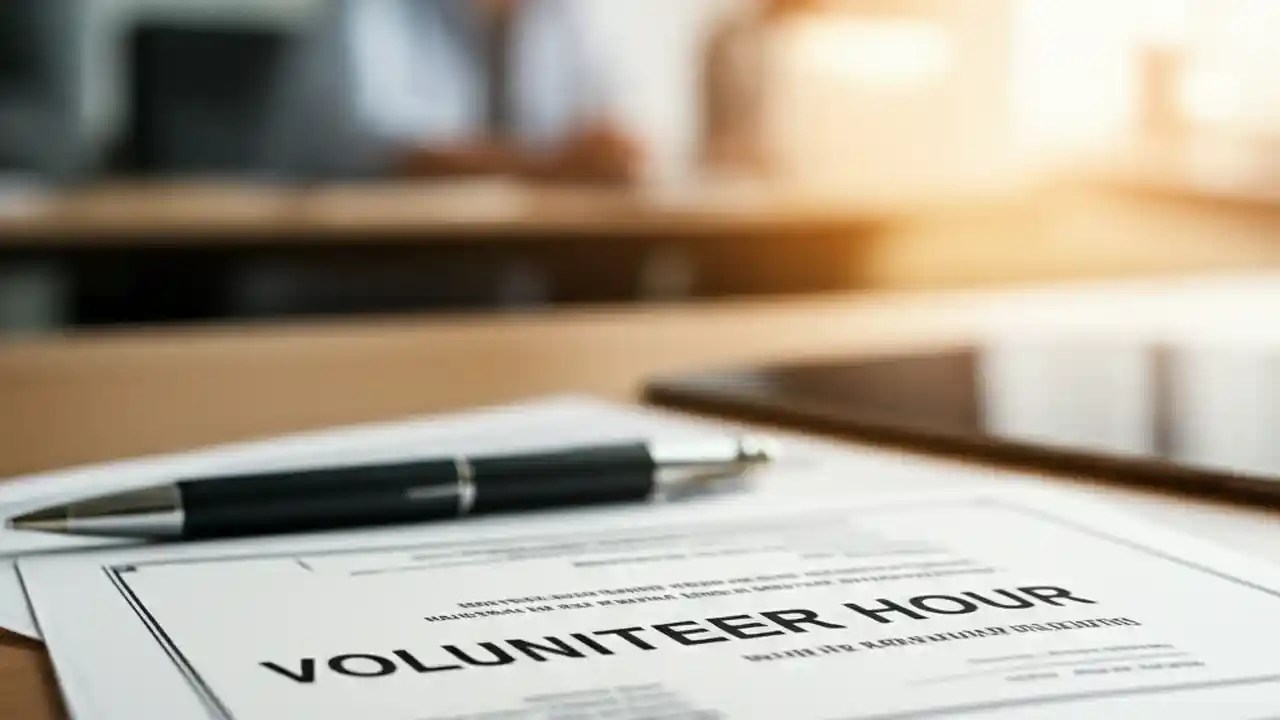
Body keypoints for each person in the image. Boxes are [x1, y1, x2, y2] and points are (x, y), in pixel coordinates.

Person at [266, 0, 641, 182]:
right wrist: (550, 165)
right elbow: (387, 152)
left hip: (502, 295)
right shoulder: (369, 11)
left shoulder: (567, 14)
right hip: (342, 296)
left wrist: (615, 148)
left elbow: (618, 122)